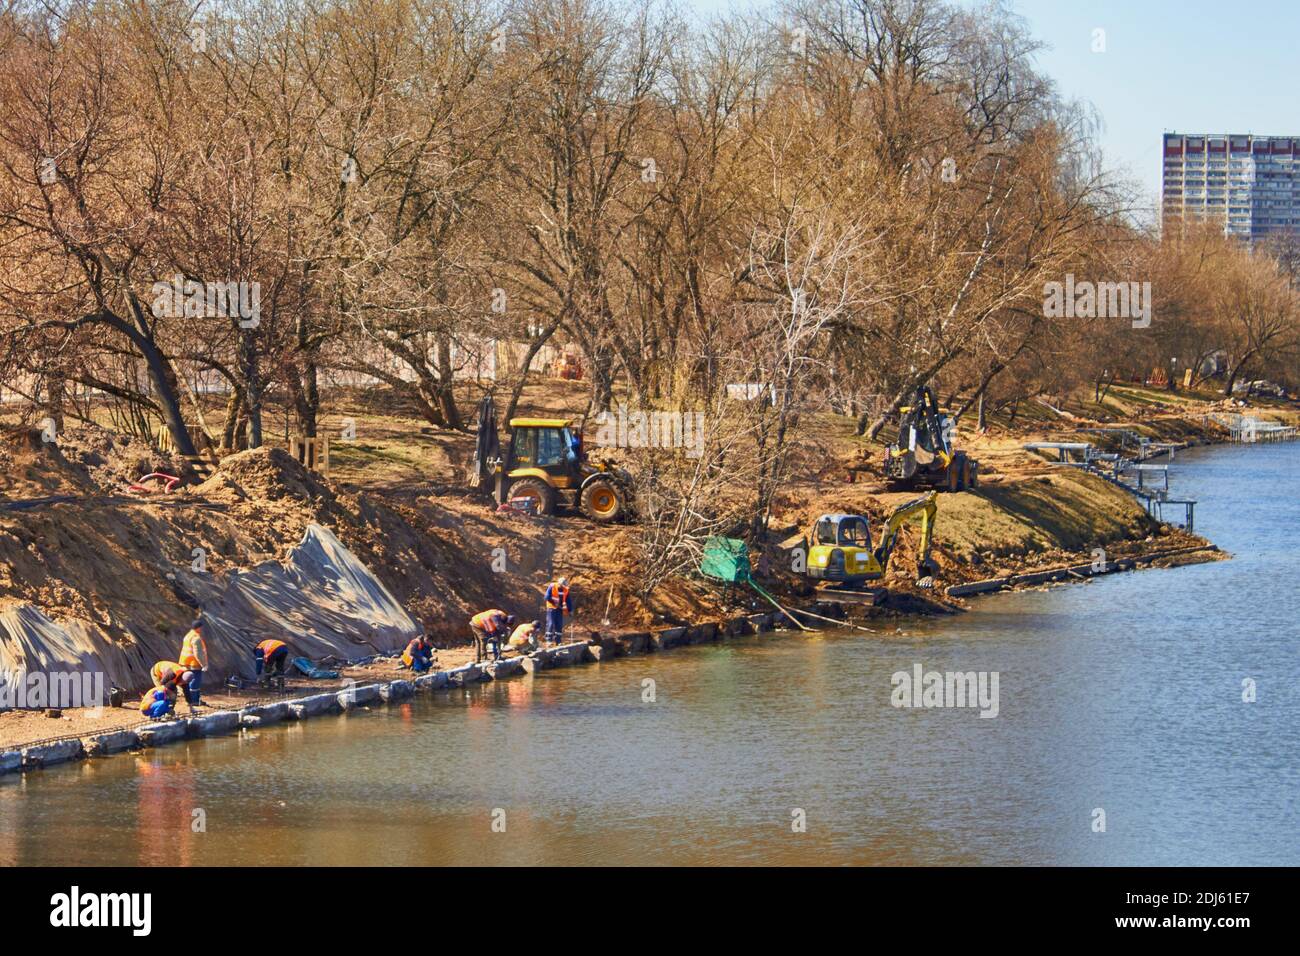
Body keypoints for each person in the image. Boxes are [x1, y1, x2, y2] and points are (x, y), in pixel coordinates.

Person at [177, 618, 209, 707]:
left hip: (186, 663)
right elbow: (198, 653)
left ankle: (194, 700)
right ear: (198, 628)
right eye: (201, 628)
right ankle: (194, 700)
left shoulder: (188, 635)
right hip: (194, 664)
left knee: (189, 682)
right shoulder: (196, 638)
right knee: (195, 682)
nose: (201, 629)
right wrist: (204, 664)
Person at [543, 577, 573, 645]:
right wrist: (554, 603)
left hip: (559, 609)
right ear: (559, 583)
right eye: (562, 585)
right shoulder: (552, 586)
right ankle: (549, 640)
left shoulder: (566, 590)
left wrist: (570, 610)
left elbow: (568, 601)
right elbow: (547, 597)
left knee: (559, 624)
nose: (563, 587)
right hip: (551, 608)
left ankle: (558, 640)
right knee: (550, 623)